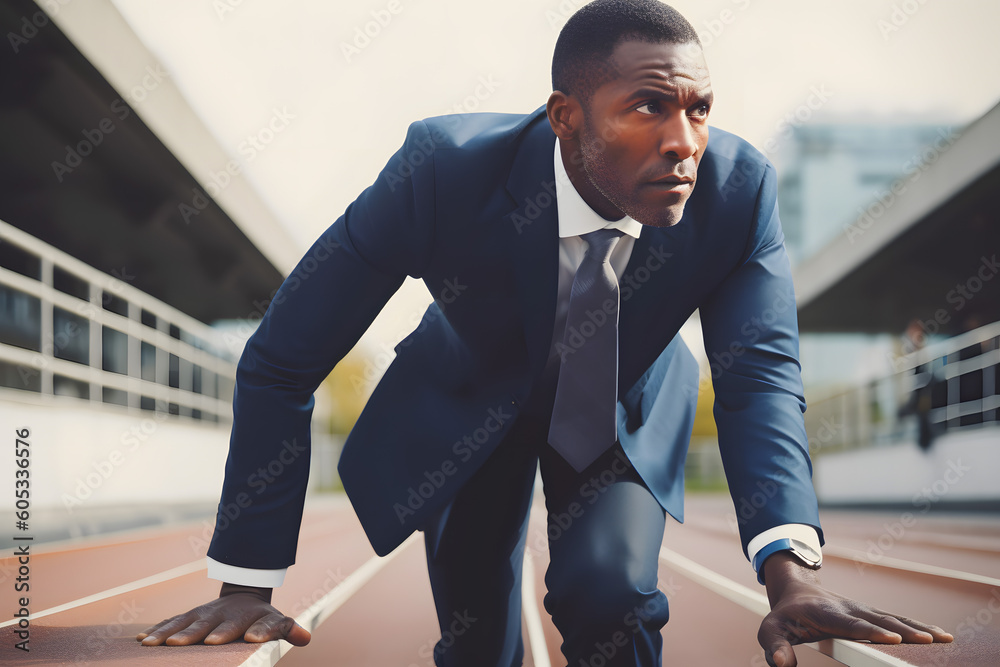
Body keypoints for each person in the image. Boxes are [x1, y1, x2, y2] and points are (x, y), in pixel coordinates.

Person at [136, 2, 953, 665]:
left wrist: (791, 575)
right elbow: (282, 358)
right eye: (649, 107)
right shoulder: (439, 171)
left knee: (611, 598)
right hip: (470, 405)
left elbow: (761, 378)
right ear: (566, 116)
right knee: (476, 642)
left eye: (700, 109)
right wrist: (247, 579)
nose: (684, 143)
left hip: (622, 408)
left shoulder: (737, 194)